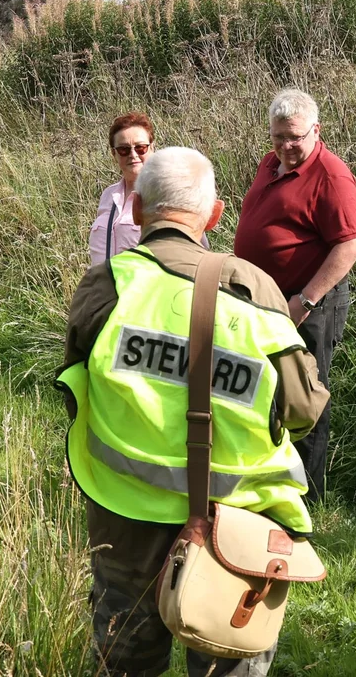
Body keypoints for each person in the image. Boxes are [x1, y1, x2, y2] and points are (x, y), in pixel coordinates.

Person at [59, 146, 330, 677]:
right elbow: (302, 410)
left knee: (125, 662)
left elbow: (76, 383)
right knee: (229, 658)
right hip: (238, 523)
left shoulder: (108, 284)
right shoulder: (252, 289)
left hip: (125, 514)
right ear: (214, 215)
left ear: (138, 209)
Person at [234, 89, 356, 503]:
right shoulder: (270, 163)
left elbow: (350, 244)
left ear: (316, 131)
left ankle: (307, 495)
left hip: (308, 305)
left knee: (305, 394)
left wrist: (304, 301)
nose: (287, 147)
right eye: (279, 138)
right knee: (266, 391)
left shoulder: (331, 175)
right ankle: (270, 482)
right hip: (265, 302)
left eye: (295, 138)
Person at [88, 112, 155, 267]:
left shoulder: (166, 195)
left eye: (140, 148)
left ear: (152, 147)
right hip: (101, 282)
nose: (133, 154)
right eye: (124, 149)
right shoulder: (108, 195)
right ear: (114, 153)